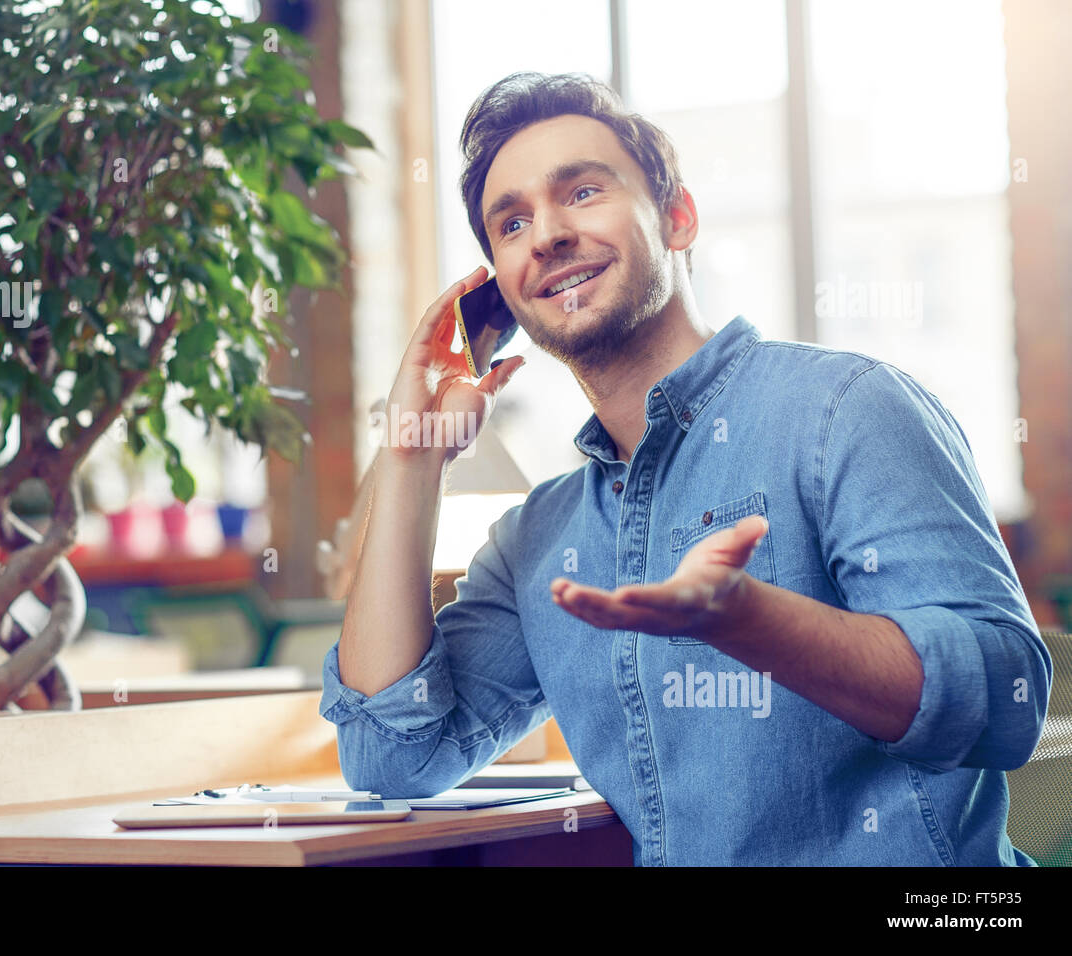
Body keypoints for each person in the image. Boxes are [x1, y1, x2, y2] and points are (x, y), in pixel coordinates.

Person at [318, 71, 1051, 865]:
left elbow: (1008, 705)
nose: (547, 234)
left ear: (677, 218)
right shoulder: (539, 539)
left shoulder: (847, 409)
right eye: (513, 222)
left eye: (583, 192)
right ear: (501, 292)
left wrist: (751, 621)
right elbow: (390, 759)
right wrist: (413, 455)